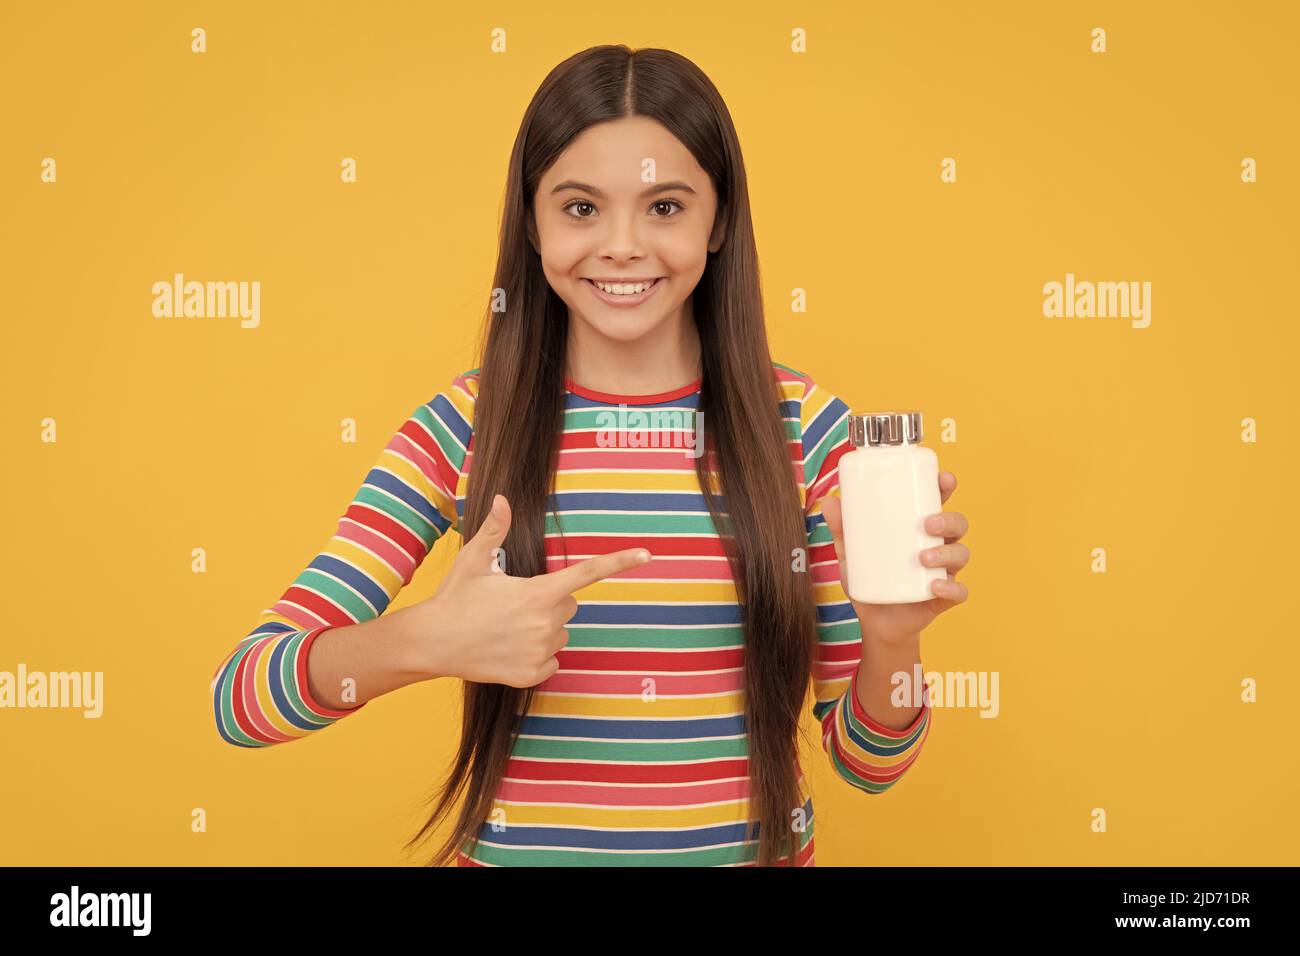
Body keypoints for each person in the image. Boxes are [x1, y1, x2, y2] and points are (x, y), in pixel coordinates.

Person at [209, 44, 972, 867]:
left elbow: (872, 765)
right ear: (531, 220)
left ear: (718, 221)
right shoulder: (460, 428)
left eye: (665, 207)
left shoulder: (810, 433)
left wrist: (893, 640)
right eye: (580, 209)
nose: (620, 246)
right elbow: (245, 699)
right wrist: (426, 640)